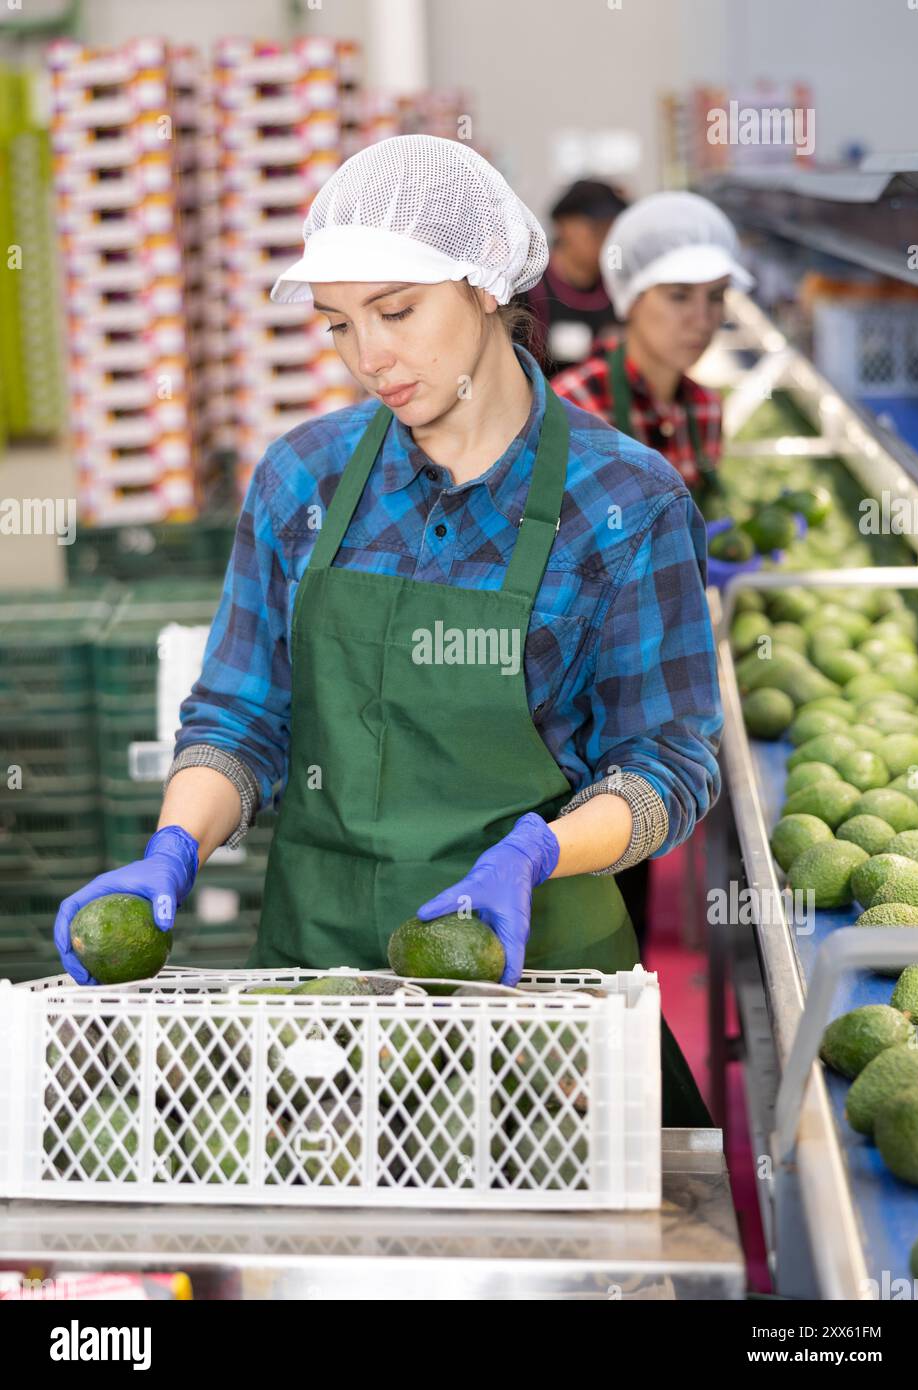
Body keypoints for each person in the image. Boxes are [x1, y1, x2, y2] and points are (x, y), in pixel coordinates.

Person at [54, 136, 722, 1127]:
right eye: (336, 325)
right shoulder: (305, 479)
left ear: (485, 287)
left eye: (396, 312)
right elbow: (241, 713)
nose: (369, 358)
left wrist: (536, 852)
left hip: (534, 1004)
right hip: (315, 1003)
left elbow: (668, 761)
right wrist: (173, 844)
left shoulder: (622, 498)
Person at [550, 191, 755, 948]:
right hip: (580, 679)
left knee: (633, 844)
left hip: (658, 672)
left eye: (716, 299)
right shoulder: (575, 405)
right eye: (678, 297)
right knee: (575, 861)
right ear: (630, 298)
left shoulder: (705, 409)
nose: (700, 319)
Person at [517, 178, 627, 377]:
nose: (608, 237)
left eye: (614, 227)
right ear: (562, 226)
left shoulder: (620, 287)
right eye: (597, 227)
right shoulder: (528, 287)